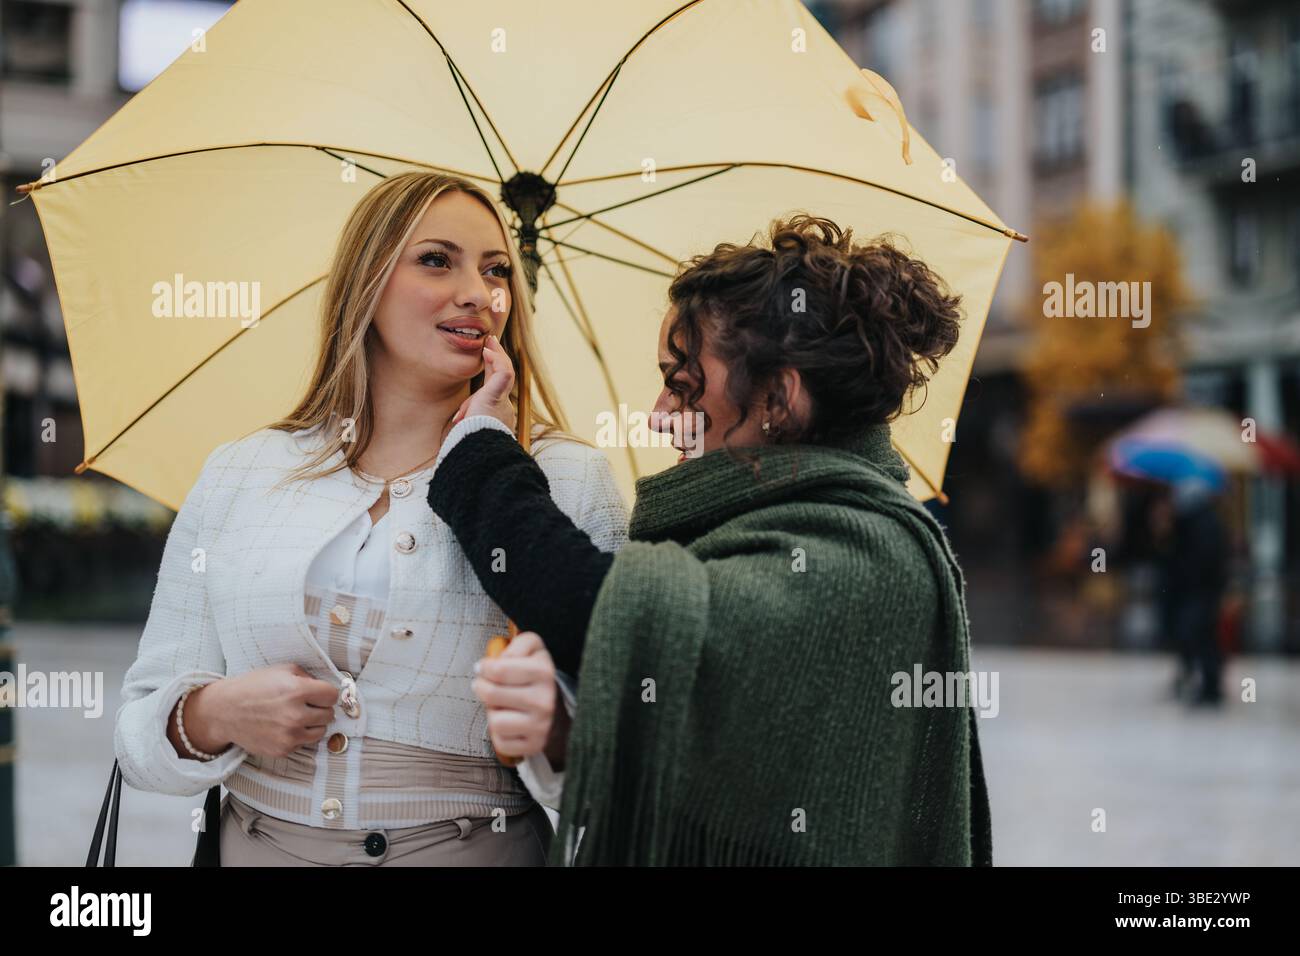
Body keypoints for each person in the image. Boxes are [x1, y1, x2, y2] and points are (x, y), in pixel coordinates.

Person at [429, 215, 993, 865]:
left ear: (779, 399)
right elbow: (714, 759)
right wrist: (560, 735)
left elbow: (596, 610)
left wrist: (483, 459)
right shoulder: (776, 520)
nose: (659, 414)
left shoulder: (862, 552)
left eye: (682, 381)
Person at [113, 172, 628, 866]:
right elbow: (140, 734)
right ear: (368, 280)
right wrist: (213, 715)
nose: (480, 293)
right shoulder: (243, 470)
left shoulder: (563, 479)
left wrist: (555, 730)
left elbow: (628, 749)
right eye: (438, 260)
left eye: (497, 270)